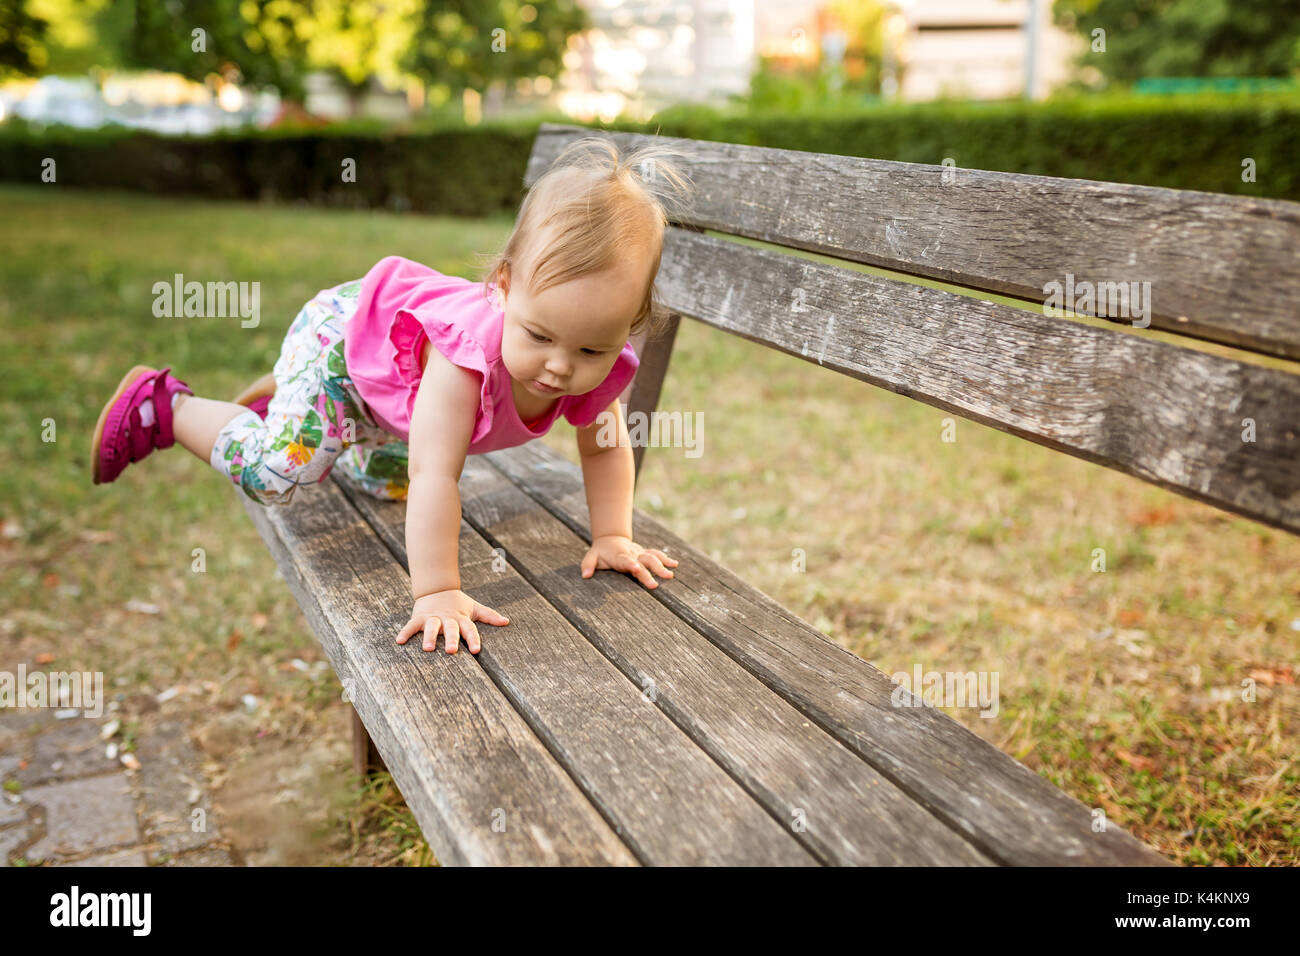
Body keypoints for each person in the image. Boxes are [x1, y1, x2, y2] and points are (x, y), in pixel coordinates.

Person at [91, 135, 694, 656]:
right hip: (343, 343)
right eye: (538, 336)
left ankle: (290, 412)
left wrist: (613, 535)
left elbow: (605, 448)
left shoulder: (597, 359)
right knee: (282, 473)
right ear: (504, 288)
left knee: (387, 485)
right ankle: (167, 406)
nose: (561, 367)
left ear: (628, 328)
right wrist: (437, 591)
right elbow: (437, 475)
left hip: (397, 404)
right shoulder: (465, 362)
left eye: (592, 350)